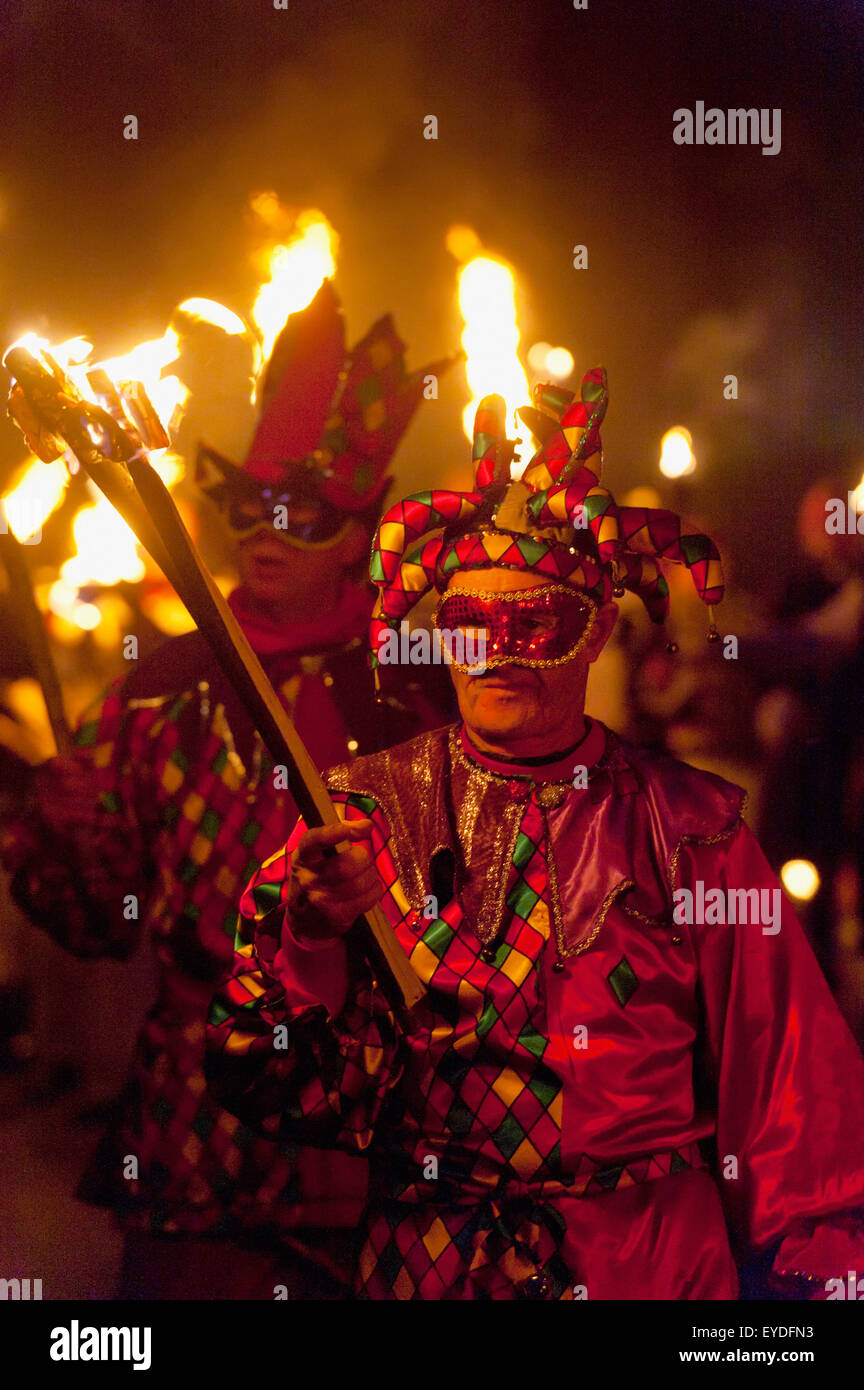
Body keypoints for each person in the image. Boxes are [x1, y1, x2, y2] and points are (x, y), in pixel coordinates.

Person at [207, 370, 864, 1300]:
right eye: (469, 624)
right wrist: (312, 943)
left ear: (595, 633)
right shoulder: (359, 815)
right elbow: (266, 1089)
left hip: (648, 1269)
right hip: (429, 1266)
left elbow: (797, 1099)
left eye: (535, 622)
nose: (500, 651)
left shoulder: (696, 835)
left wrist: (804, 1301)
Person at [0, 280, 454, 1299]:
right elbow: (98, 918)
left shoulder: (416, 697)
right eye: (248, 505)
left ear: (355, 528)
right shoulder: (162, 687)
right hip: (196, 1107)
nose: (262, 530)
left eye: (296, 513)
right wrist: (55, 829)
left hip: (368, 1120)